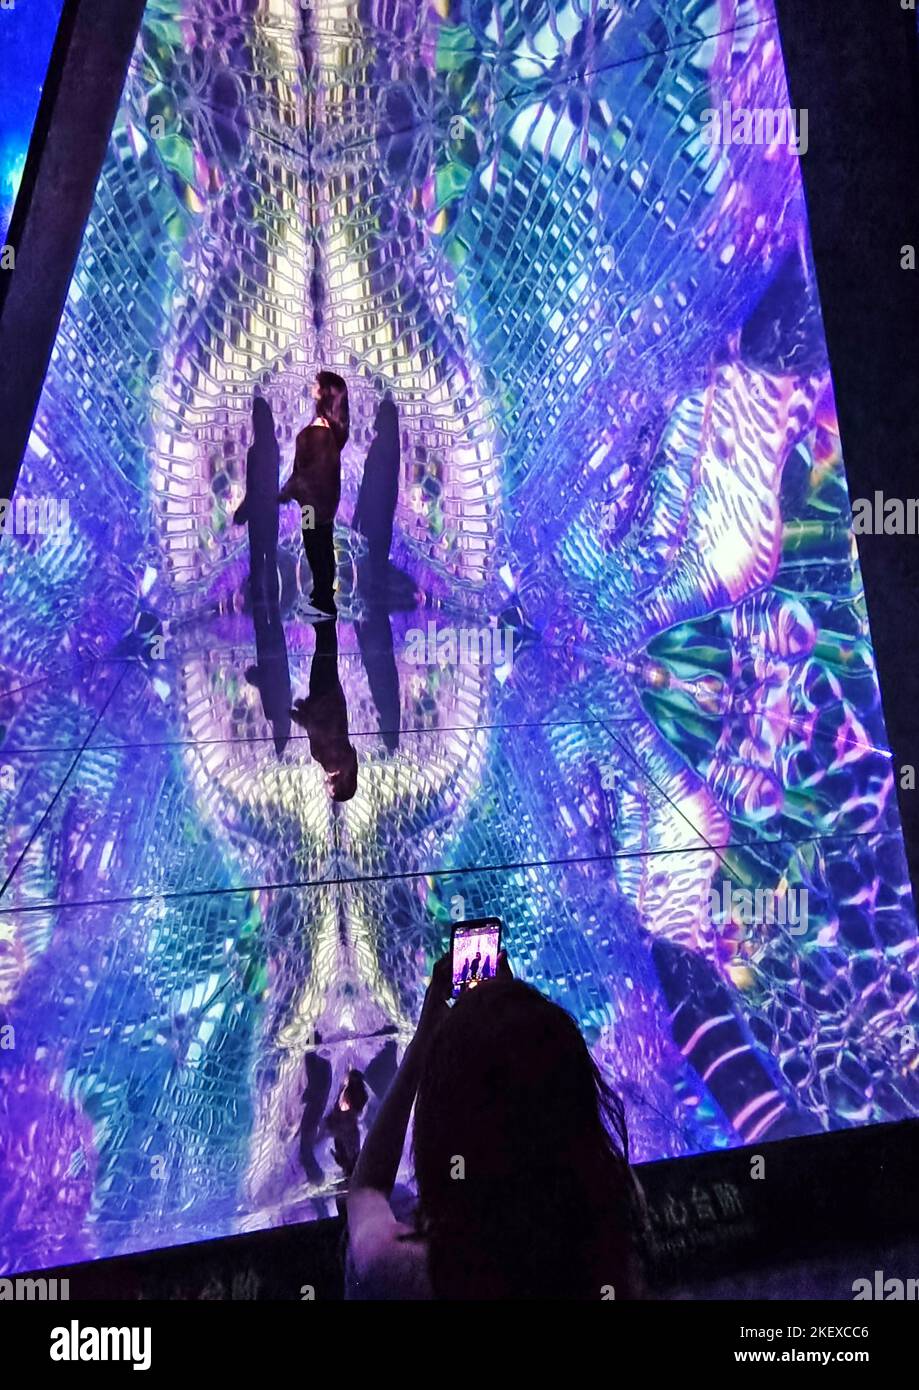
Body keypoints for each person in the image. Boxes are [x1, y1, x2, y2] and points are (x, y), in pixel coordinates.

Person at [346, 955, 644, 1299]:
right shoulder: (618, 1220)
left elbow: (366, 1189)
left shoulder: (407, 1270)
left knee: (396, 1201)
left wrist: (423, 1042)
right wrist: (515, 1015)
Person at [280, 370, 350, 618]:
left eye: (316, 385)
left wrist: (286, 492)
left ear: (323, 393)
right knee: (321, 544)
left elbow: (307, 473)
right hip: (323, 503)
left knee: (315, 545)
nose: (312, 387)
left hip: (312, 506)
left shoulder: (318, 432)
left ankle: (323, 600)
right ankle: (322, 598)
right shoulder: (331, 430)